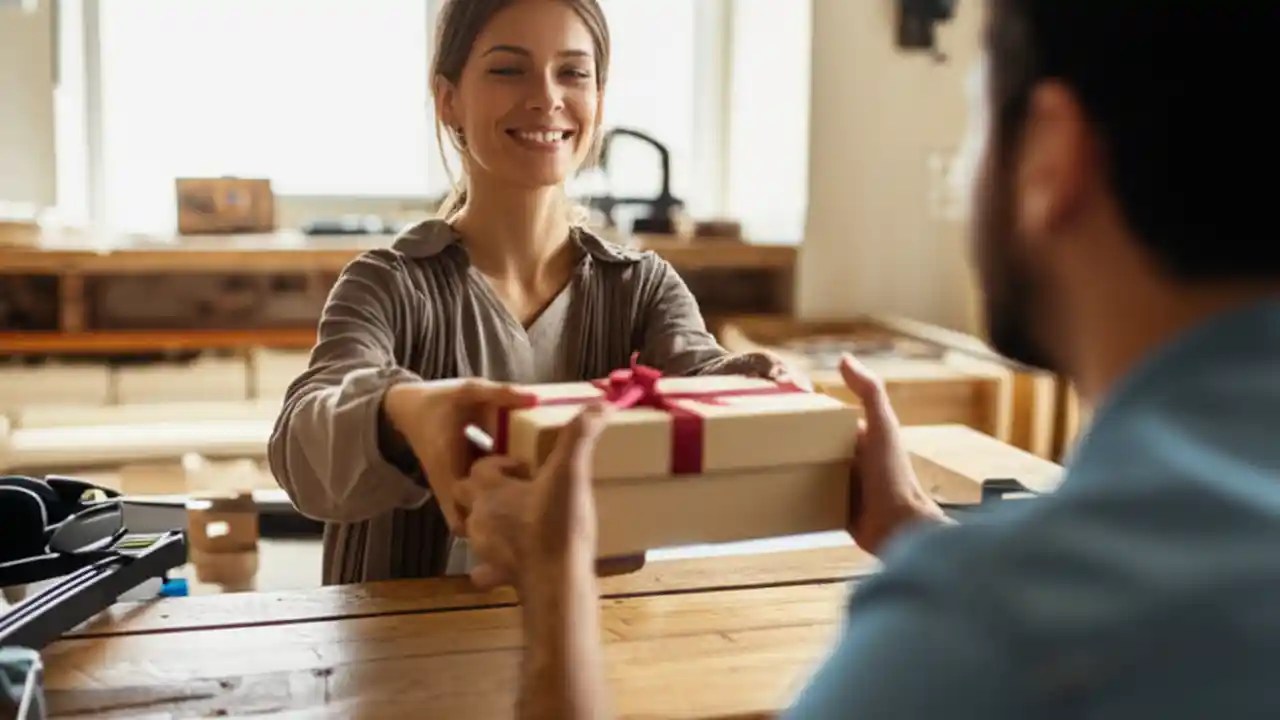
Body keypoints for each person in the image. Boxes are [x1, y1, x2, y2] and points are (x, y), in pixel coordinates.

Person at [457, 1, 1280, 717]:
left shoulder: (999, 627)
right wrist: (914, 531)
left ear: (1050, 159)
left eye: (974, 120)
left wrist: (554, 587)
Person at [268, 0, 784, 585]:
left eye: (572, 72)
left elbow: (706, 382)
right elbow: (301, 453)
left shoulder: (643, 289)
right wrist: (402, 412)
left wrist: (753, 385)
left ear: (599, 103)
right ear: (448, 100)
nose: (546, 97)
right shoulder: (386, 284)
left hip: (590, 651)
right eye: (508, 69)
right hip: (404, 658)